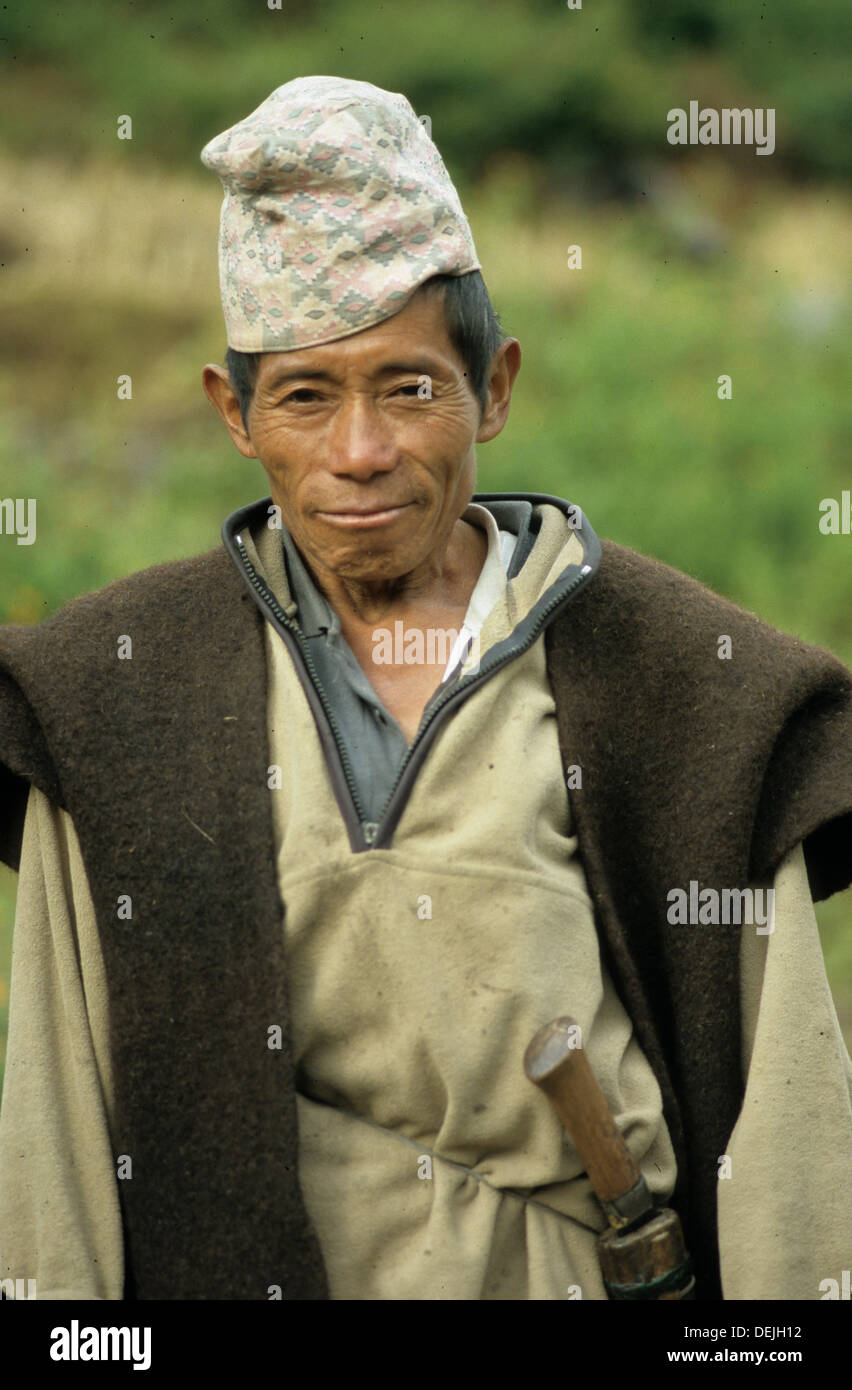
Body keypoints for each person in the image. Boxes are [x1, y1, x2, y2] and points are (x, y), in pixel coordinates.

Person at [0, 76, 850, 1303]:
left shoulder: (687, 684)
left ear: (493, 390)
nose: (359, 451)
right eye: (303, 394)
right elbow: (53, 1157)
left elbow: (793, 1149)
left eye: (408, 388)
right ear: (232, 413)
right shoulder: (116, 695)